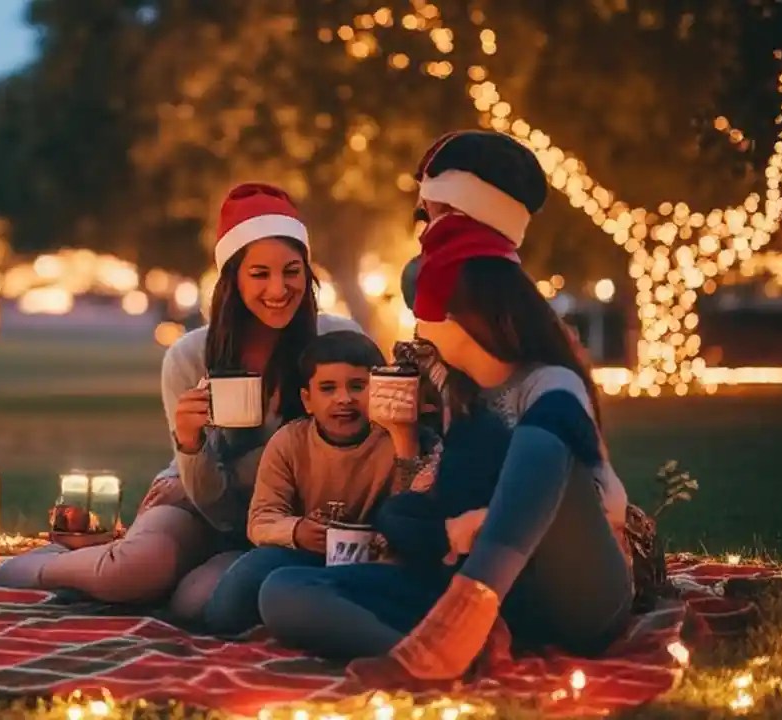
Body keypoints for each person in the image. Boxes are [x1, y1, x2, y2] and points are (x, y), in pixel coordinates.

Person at [258, 130, 633, 681]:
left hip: (570, 595)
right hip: (480, 593)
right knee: (282, 590)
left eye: (427, 312)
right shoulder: (453, 387)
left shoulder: (549, 382)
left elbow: (600, 504)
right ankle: (446, 654)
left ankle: (452, 637)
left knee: (540, 435)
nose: (417, 326)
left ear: (464, 314)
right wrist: (416, 468)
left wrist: (487, 520)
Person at [0, 183, 361, 618]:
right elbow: (213, 506)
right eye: (260, 274)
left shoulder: (336, 342)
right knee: (133, 570)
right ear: (233, 278)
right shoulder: (190, 356)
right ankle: (41, 568)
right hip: (201, 506)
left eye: (291, 271)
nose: (279, 288)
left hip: (288, 522)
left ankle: (166, 581)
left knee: (196, 605)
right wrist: (189, 446)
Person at [201, 330, 421, 634]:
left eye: (358, 386)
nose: (344, 399)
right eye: (328, 388)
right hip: (304, 555)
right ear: (308, 400)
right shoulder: (289, 442)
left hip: (375, 564)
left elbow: (415, 508)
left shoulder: (398, 440)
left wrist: (403, 438)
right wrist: (298, 531)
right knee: (228, 603)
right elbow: (261, 519)